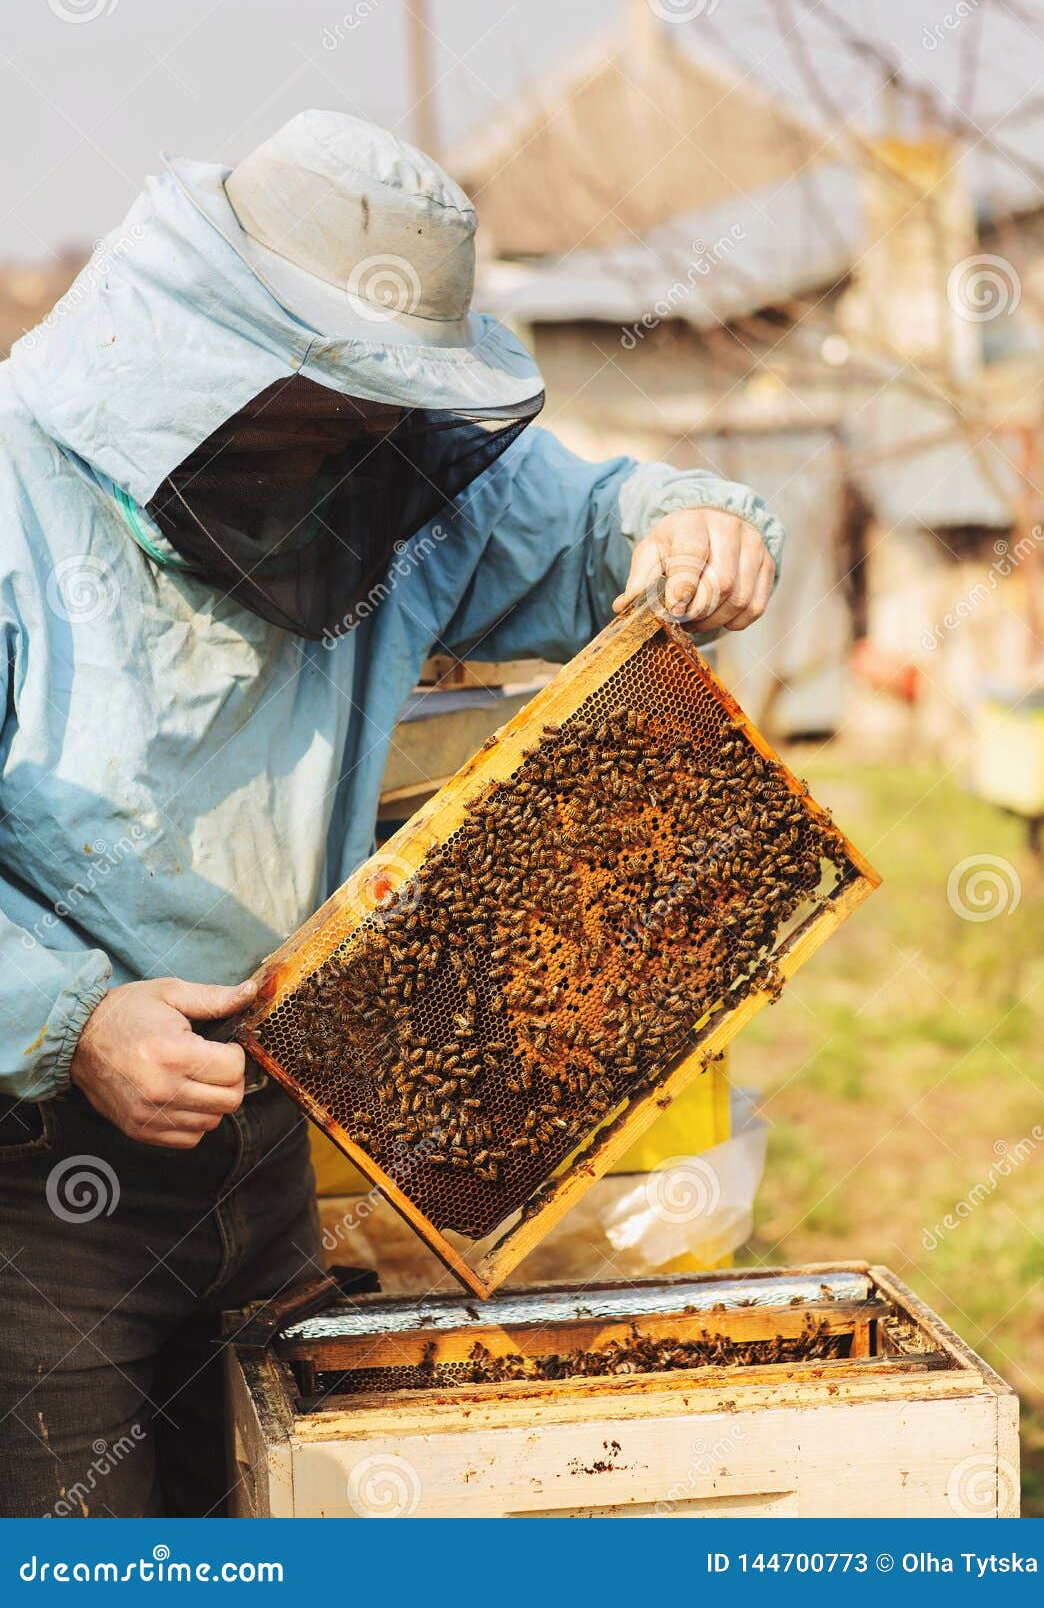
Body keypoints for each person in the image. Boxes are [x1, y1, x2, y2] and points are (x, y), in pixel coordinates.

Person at [0, 110, 783, 1516]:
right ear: (211, 352)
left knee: (274, 1529)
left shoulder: (390, 485)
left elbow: (589, 523)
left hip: (267, 1126)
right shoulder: (13, 499)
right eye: (324, 405)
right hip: (37, 1178)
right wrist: (70, 1020)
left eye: (378, 417)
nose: (348, 449)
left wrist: (688, 523)